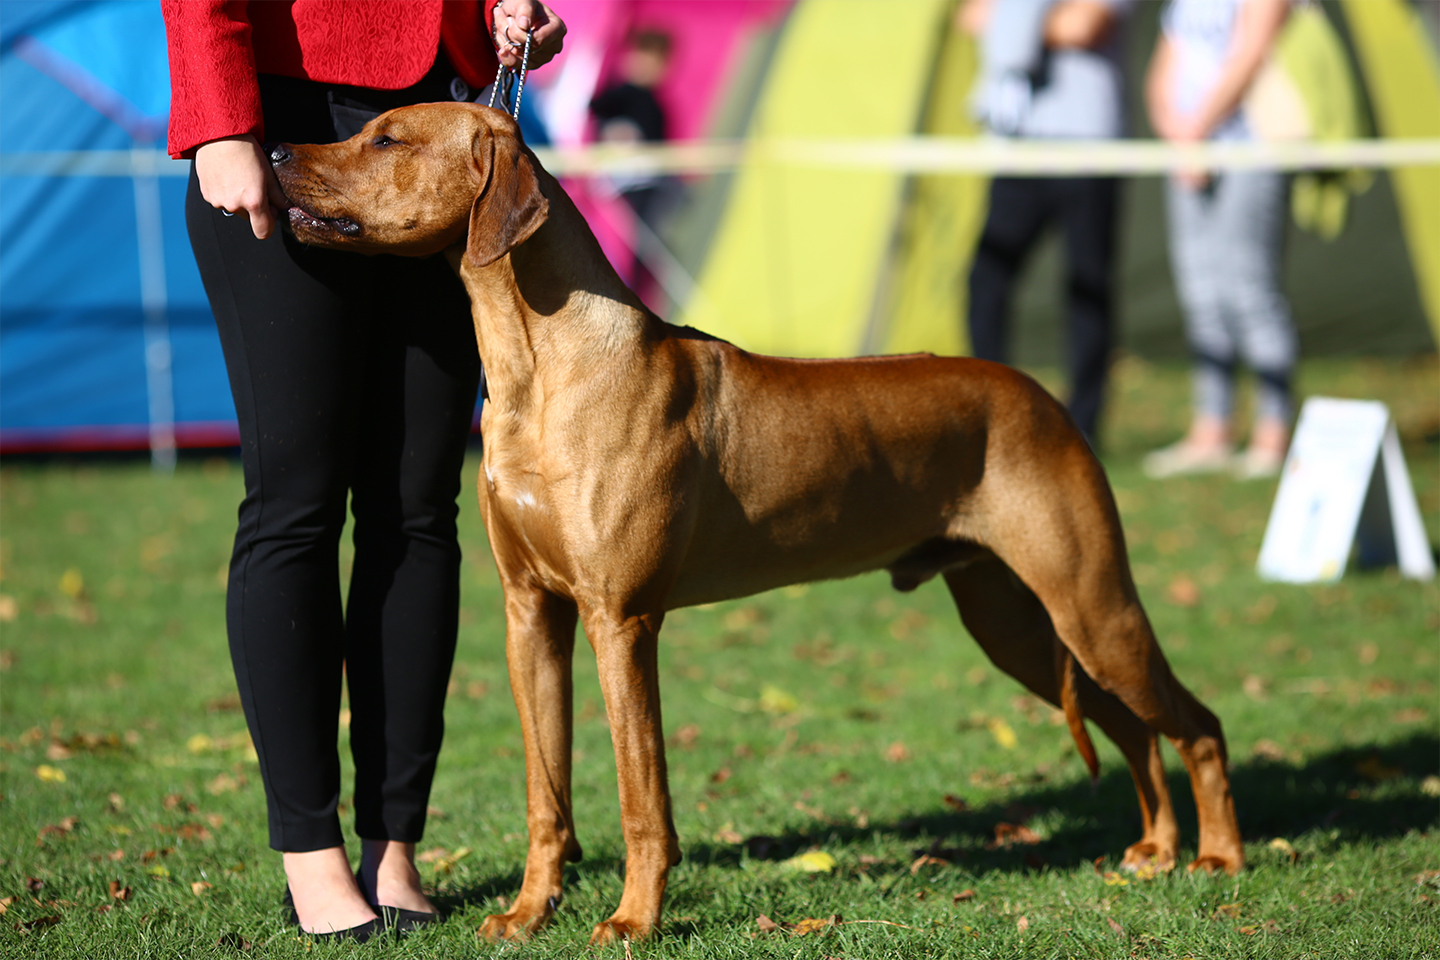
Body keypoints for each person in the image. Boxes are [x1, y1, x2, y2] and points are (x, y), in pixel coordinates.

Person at [161, 0, 565, 939]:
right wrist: (222, 122)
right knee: (294, 507)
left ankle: (396, 849)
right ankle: (313, 859)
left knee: (420, 509)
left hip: (445, 133)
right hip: (285, 120)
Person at [961, 0, 1135, 450]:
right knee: (986, 280)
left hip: (1088, 148)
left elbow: (1084, 27)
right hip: (1019, 147)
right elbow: (968, 17)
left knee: (1087, 287)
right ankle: (993, 411)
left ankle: (1084, 425)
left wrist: (1014, 16)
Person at [1142, 0, 1296, 479]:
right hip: (1188, 156)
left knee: (1249, 291)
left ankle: (1274, 433)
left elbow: (1252, 52)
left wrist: (1198, 128)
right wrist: (1178, 134)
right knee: (1202, 294)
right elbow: (1162, 68)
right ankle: (1212, 432)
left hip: (1250, 150)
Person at [589, 28, 679, 308]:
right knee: (638, 246)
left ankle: (648, 299)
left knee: (650, 246)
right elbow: (596, 111)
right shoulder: (620, 95)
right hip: (625, 187)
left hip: (650, 184)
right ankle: (638, 301)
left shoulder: (655, 105)